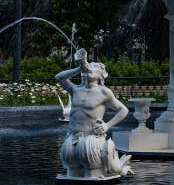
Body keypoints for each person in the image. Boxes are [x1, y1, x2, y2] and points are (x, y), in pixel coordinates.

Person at [56, 49, 133, 179]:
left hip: (91, 139)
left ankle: (120, 167)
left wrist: (107, 126)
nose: (89, 69)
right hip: (72, 136)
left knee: (91, 173)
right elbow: (59, 77)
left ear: (100, 75)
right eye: (88, 68)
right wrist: (79, 68)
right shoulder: (75, 89)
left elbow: (123, 110)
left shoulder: (104, 92)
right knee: (73, 174)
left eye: (93, 68)